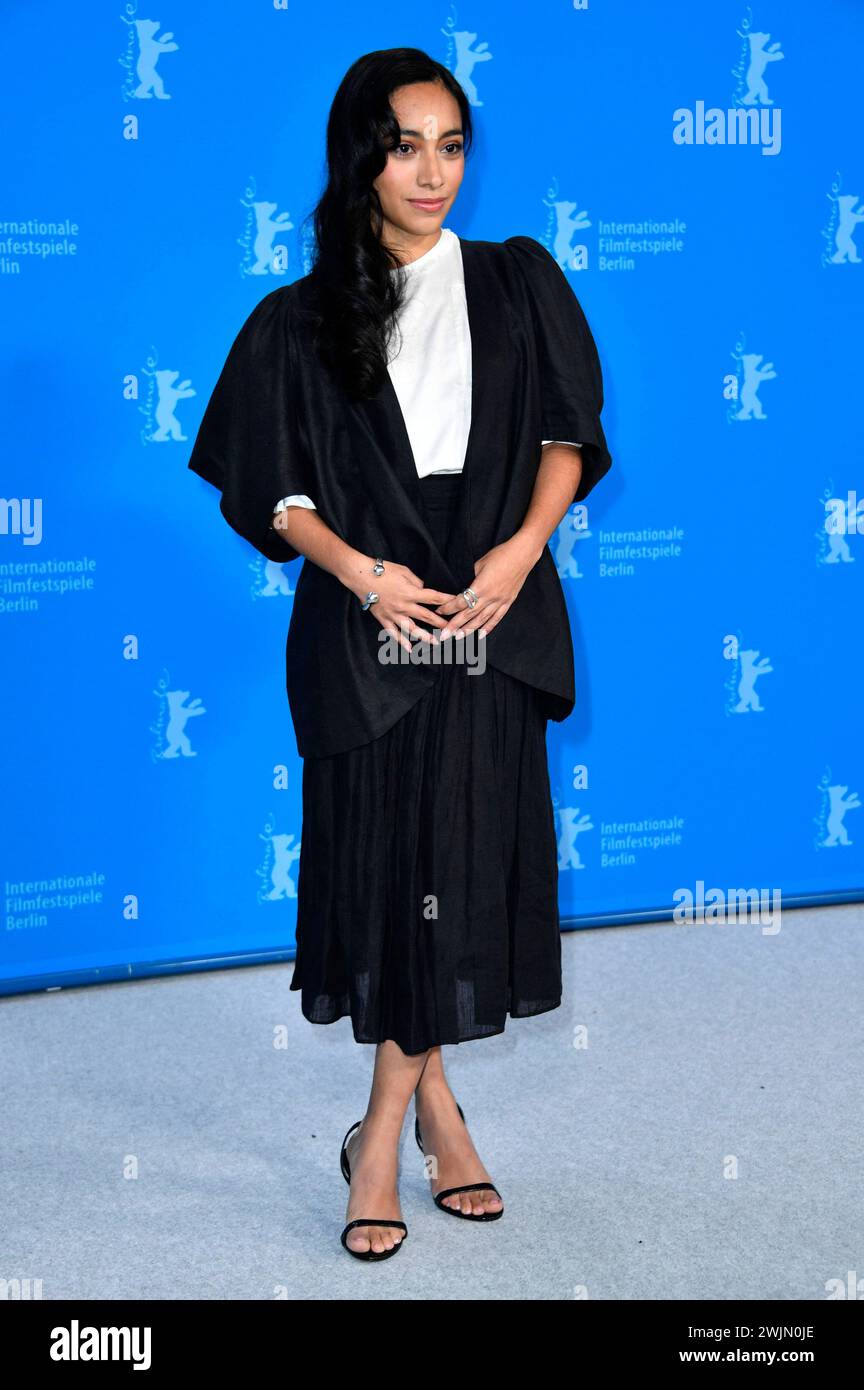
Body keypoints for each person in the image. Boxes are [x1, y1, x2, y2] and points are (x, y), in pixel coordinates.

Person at [187, 48, 613, 1262]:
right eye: (406, 145)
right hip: (370, 632)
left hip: (485, 614)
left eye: (451, 144)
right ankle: (434, 1113)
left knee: (463, 870)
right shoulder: (298, 316)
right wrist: (365, 574)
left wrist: (523, 551)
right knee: (392, 876)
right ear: (361, 157)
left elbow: (566, 435)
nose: (433, 172)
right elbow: (274, 492)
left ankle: (380, 1131)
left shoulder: (522, 281)